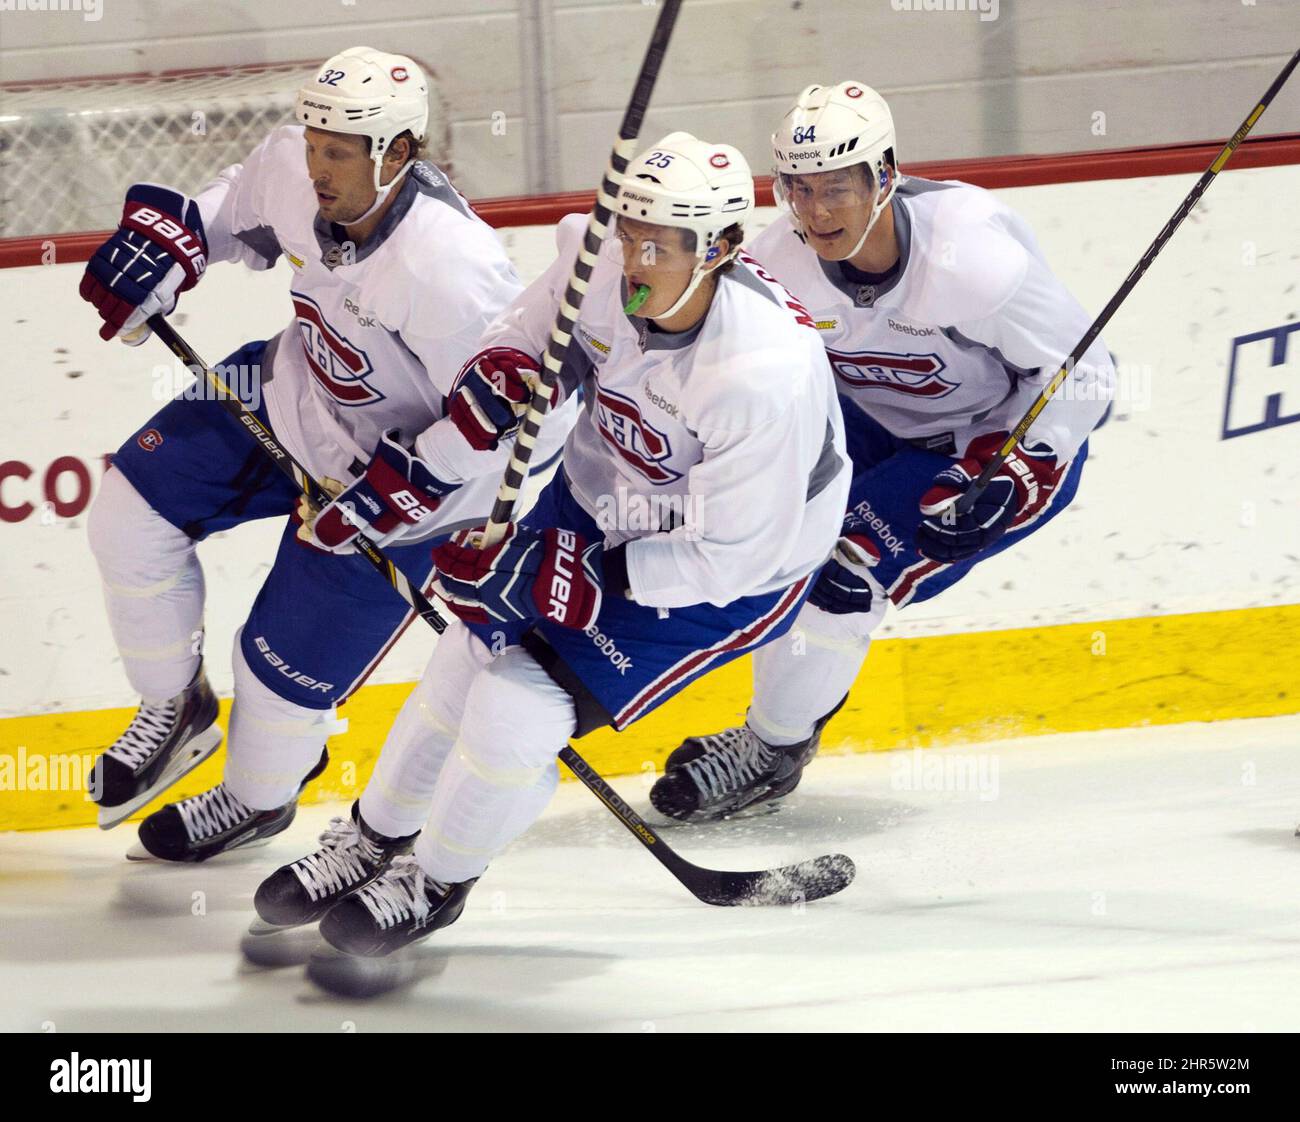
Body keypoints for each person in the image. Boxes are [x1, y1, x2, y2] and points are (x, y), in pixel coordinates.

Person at [250, 132, 850, 954]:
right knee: (466, 657)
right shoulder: (598, 260)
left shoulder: (760, 374)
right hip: (601, 499)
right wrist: (500, 373)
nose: (635, 260)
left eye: (662, 244)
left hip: (724, 563)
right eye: (629, 231)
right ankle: (373, 838)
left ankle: (436, 880)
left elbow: (733, 557)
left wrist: (573, 575)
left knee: (516, 709)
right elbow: (522, 337)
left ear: (720, 249)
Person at [79, 46, 571, 860]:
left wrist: (414, 485)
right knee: (127, 517)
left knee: (272, 679)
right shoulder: (295, 164)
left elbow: (528, 429)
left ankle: (254, 799)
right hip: (291, 394)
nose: (316, 166)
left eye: (338, 152)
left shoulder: (453, 270)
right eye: (313, 143)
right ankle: (175, 706)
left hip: (406, 493)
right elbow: (236, 205)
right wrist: (174, 246)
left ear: (401, 154)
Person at [650, 81, 1115, 821]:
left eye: (837, 188)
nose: (818, 212)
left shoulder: (972, 260)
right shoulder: (776, 263)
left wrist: (1014, 466)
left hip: (990, 444)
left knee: (844, 575)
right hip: (865, 424)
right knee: (759, 539)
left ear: (885, 176)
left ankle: (769, 753)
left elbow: (1090, 374)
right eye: (798, 190)